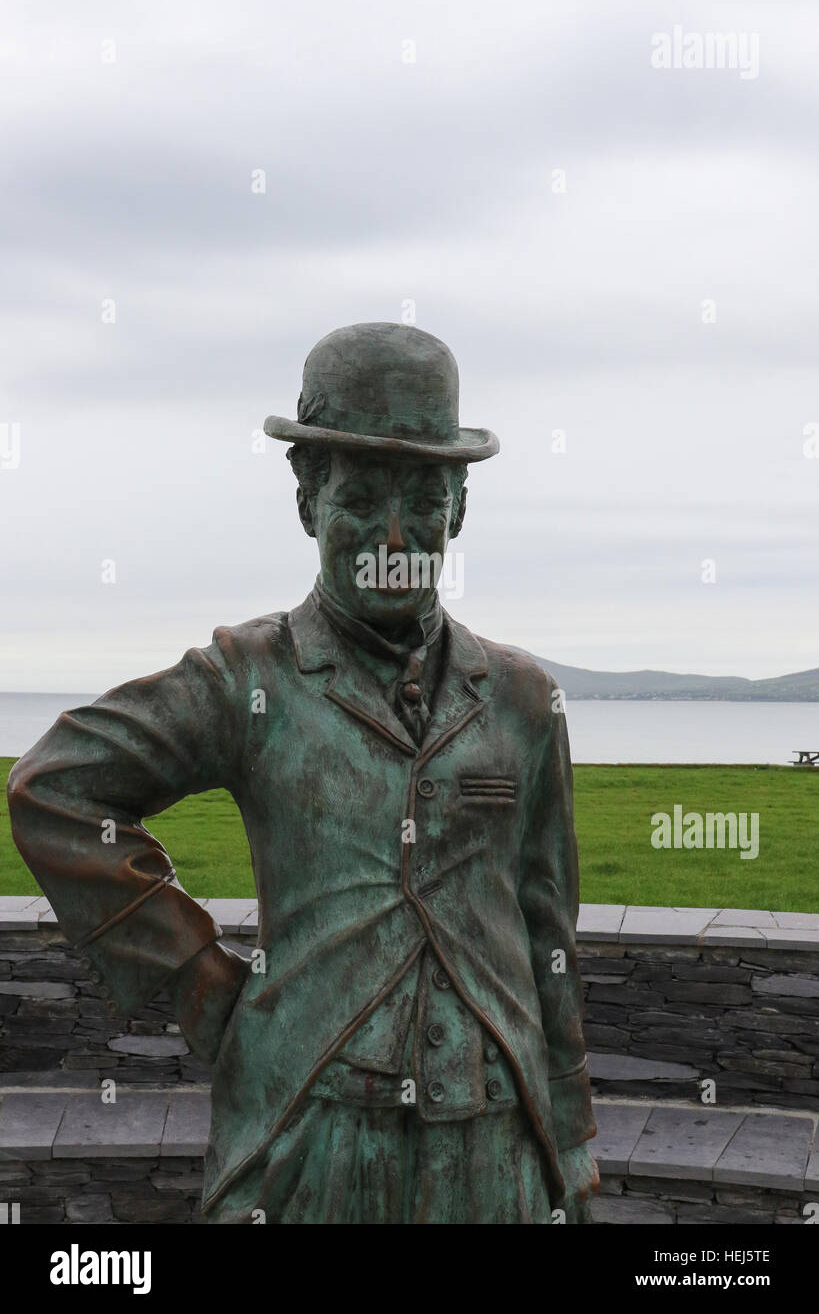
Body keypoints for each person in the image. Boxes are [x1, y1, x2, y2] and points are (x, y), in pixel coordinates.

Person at [8, 322, 598, 1223]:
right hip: (313, 1142)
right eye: (360, 498)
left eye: (424, 500)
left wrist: (573, 1137)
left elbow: (546, 928)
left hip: (495, 1156)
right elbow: (55, 788)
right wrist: (195, 974)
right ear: (306, 500)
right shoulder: (251, 678)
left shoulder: (522, 700)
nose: (392, 534)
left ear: (461, 510)